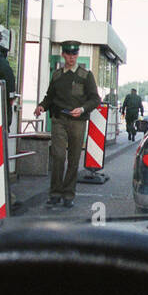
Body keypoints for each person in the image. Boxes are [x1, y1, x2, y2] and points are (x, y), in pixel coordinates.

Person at [34, 40, 100, 209]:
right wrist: (42, 106)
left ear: (77, 55)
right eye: (69, 54)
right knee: (58, 156)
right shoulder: (57, 75)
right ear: (63, 54)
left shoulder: (86, 75)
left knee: (74, 158)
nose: (72, 57)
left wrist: (82, 108)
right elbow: (50, 96)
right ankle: (55, 193)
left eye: (74, 54)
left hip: (78, 121)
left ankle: (68, 194)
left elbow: (95, 99)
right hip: (59, 120)